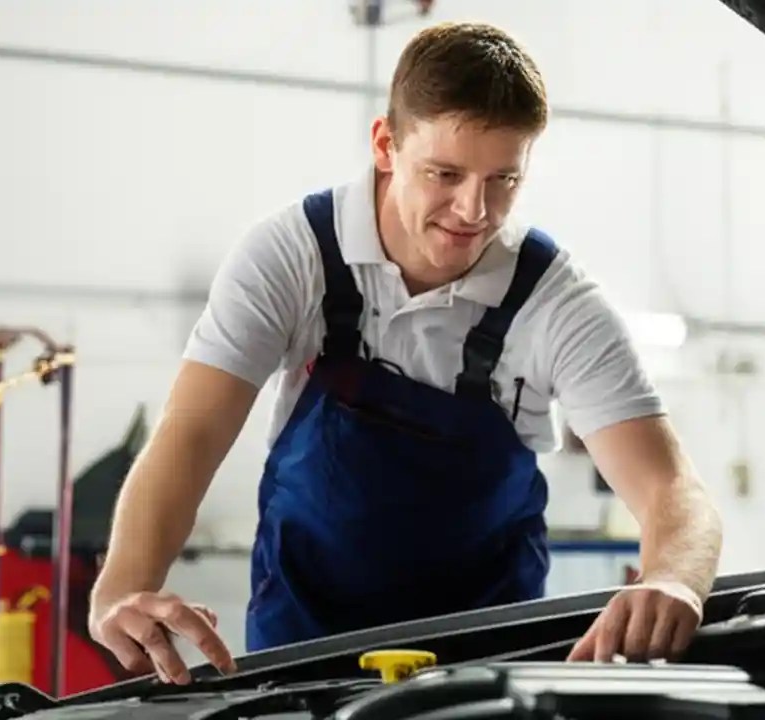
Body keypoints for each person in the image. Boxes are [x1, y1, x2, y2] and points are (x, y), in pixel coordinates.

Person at [87, 21, 723, 686]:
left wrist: (675, 579)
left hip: (488, 656)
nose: (475, 210)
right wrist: (123, 586)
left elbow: (672, 489)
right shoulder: (293, 256)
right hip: (306, 647)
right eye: (444, 173)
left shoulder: (554, 301)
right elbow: (192, 431)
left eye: (504, 178)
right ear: (385, 144)